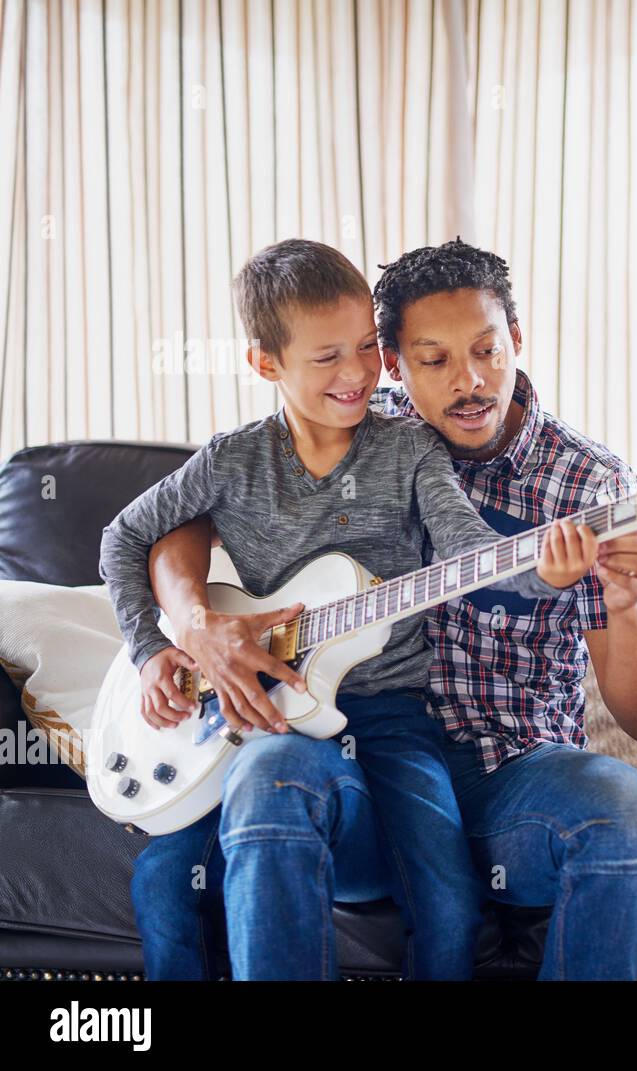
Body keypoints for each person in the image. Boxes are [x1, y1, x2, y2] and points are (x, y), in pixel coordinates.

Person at [99, 238, 597, 980]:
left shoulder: (411, 450)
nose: (360, 372)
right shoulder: (232, 461)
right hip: (256, 707)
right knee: (164, 885)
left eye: (367, 346)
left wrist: (544, 573)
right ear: (266, 364)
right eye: (328, 357)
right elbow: (124, 536)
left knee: (451, 909)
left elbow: (469, 551)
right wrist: (154, 648)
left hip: (393, 716)